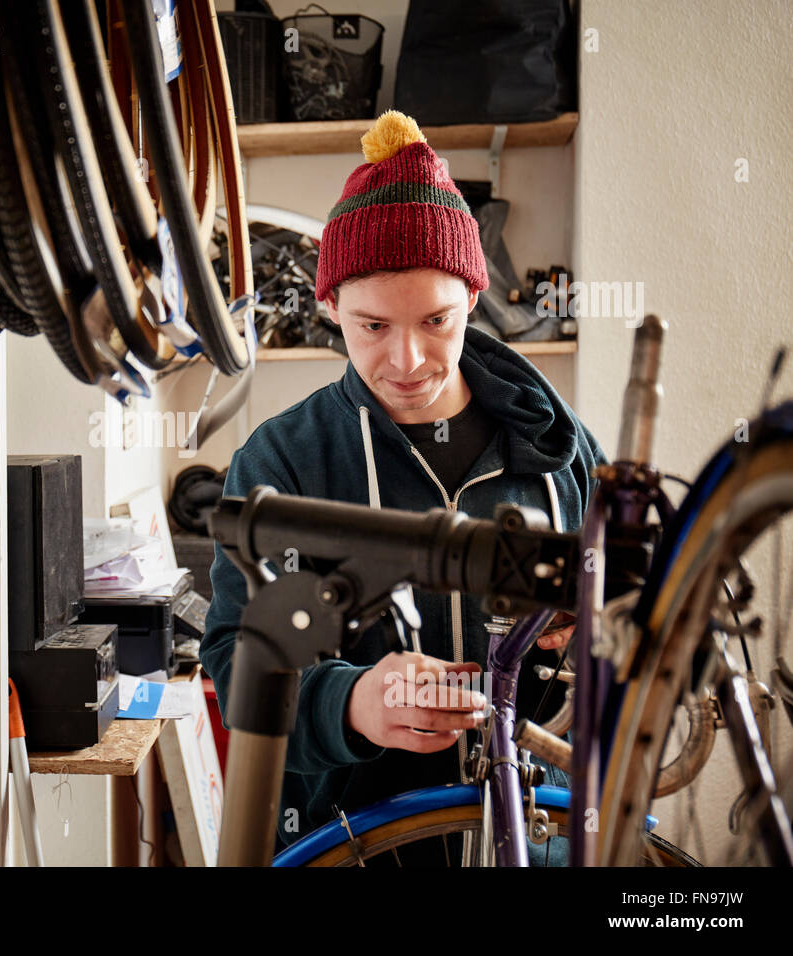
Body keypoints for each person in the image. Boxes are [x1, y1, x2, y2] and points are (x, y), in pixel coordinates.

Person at [200, 110, 609, 864]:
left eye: (437, 320)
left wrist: (596, 630)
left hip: (549, 839)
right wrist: (352, 702)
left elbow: (635, 623)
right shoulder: (283, 463)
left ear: (474, 295)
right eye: (372, 326)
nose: (409, 359)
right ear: (330, 311)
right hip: (360, 843)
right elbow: (233, 665)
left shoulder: (563, 448)